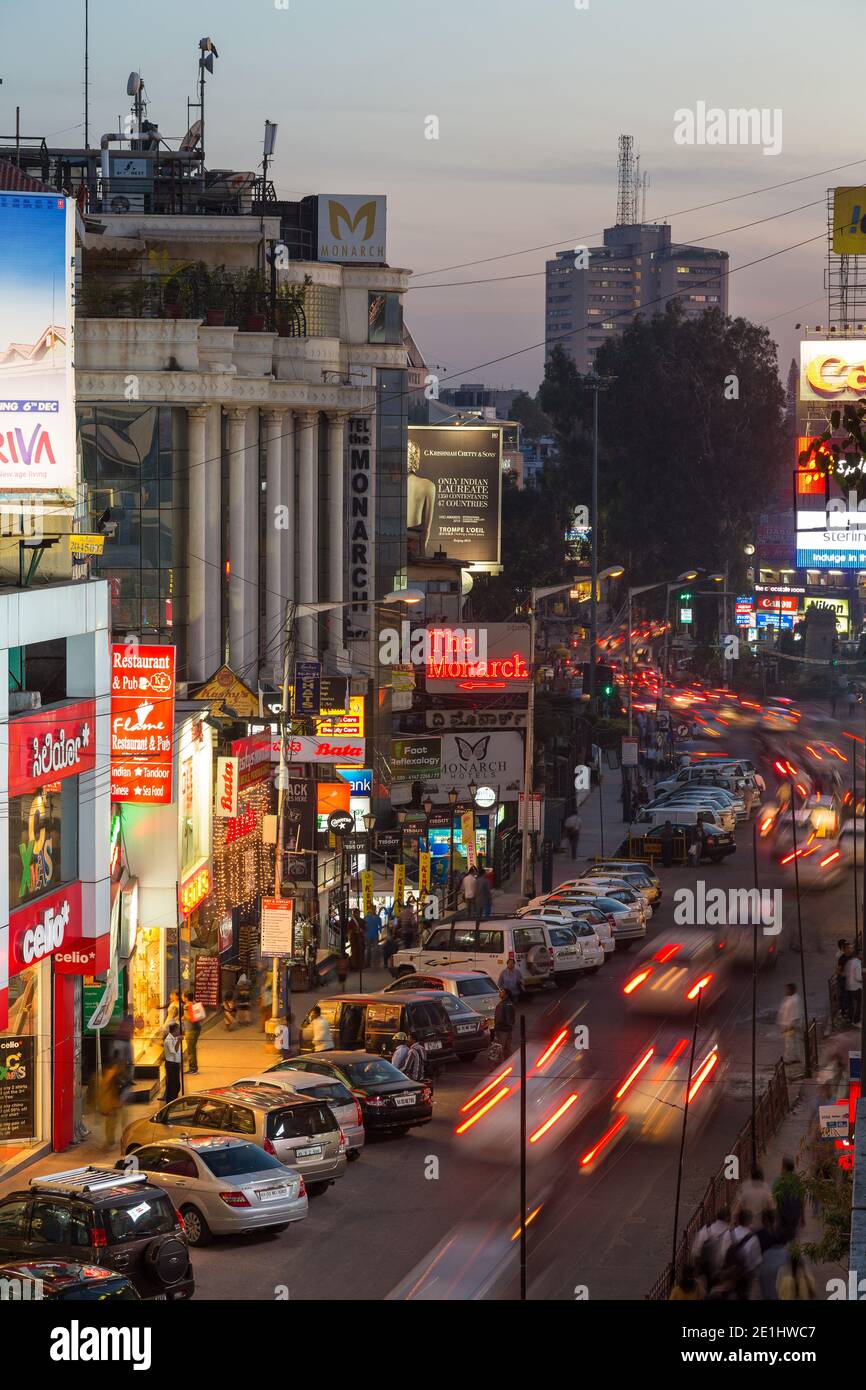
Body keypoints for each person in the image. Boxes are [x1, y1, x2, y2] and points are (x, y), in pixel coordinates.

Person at [715, 1210, 761, 1300]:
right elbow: (755, 1262)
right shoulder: (753, 1238)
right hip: (743, 1277)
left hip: (728, 1274)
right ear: (750, 1221)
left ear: (738, 1220)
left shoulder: (728, 1233)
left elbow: (722, 1253)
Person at [692, 1206, 730, 1292]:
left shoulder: (705, 1230)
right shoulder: (729, 1234)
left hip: (704, 1269)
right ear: (728, 1218)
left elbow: (695, 1251)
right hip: (719, 1272)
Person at [97, 1051, 128, 1151]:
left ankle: (111, 1139)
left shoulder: (111, 1074)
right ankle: (111, 1140)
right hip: (112, 1103)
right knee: (113, 1122)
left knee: (113, 1122)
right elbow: (109, 1091)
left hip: (113, 1103)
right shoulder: (113, 1075)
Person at [773, 1157, 805, 1242]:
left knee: (782, 1238)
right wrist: (802, 1217)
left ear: (784, 1168)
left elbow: (775, 1200)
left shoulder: (779, 1181)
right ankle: (794, 1252)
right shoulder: (798, 1180)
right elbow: (802, 1199)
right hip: (795, 1215)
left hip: (783, 1215)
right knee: (794, 1237)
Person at [777, 983, 804, 1066]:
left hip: (791, 1025)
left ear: (791, 990)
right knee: (792, 1042)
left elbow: (795, 1015)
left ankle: (789, 1059)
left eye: (787, 989)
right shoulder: (791, 999)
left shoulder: (795, 1000)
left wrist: (790, 1025)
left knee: (790, 1043)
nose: (785, 991)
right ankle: (795, 1057)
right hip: (789, 1025)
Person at [182, 990, 204, 1074]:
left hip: (191, 1030)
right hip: (196, 1029)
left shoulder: (187, 1006)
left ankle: (193, 1069)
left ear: (186, 998)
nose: (182, 997)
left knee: (191, 1050)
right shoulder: (194, 1003)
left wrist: (184, 1015)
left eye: (183, 996)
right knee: (192, 1049)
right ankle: (193, 1067)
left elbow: (191, 1019)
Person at [493, 988, 516, 1056]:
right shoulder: (510, 1004)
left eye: (502, 991)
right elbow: (512, 1018)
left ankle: (499, 1065)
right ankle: (508, 1063)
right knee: (507, 1048)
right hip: (508, 1029)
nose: (500, 993)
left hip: (502, 1029)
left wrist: (496, 1028)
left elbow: (499, 1018)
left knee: (499, 1048)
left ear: (506, 995)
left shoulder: (502, 1005)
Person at [163, 1024, 182, 1102]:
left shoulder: (173, 1038)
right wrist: (179, 1041)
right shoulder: (169, 1040)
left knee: (176, 1085)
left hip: (175, 1064)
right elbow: (174, 1051)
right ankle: (170, 1102)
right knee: (172, 1085)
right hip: (171, 1065)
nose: (179, 1031)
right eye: (178, 1029)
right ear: (174, 1030)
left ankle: (174, 1100)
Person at [845, 946, 862, 1025]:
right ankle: (856, 1021)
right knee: (859, 1004)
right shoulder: (858, 963)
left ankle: (852, 1020)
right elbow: (859, 977)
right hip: (856, 987)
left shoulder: (850, 962)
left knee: (853, 1004)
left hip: (849, 986)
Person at [836, 939, 851, 1022]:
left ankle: (847, 1011)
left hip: (850, 980)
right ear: (844, 948)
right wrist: (844, 974)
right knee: (845, 995)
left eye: (850, 947)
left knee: (848, 996)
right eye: (848, 948)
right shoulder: (841, 958)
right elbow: (838, 970)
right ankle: (843, 1011)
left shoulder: (850, 956)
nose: (850, 949)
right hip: (844, 980)